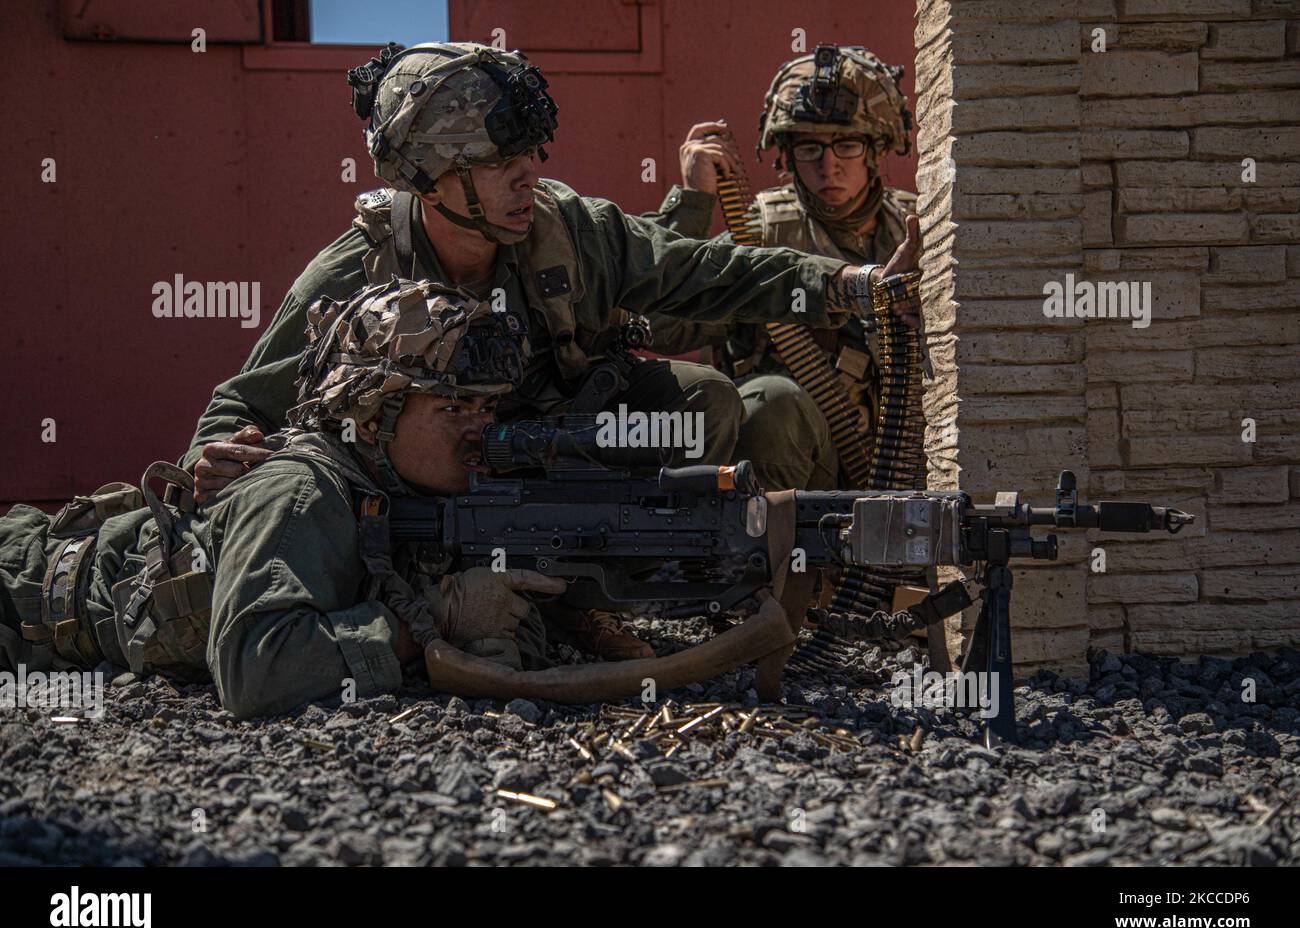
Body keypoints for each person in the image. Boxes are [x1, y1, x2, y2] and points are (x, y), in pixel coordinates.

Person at [180, 41, 918, 659]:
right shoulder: (356, 276)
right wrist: (213, 458)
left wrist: (850, 286)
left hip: (559, 452)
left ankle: (591, 594)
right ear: (431, 178)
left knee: (702, 402)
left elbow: (702, 274)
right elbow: (240, 404)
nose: (528, 173)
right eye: (501, 162)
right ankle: (465, 606)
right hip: (427, 493)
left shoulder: (567, 228)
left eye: (530, 152)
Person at [0, 280, 565, 718]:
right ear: (371, 419)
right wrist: (430, 621)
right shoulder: (303, 494)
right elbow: (255, 671)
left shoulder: (417, 491)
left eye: (487, 409)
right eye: (451, 410)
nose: (480, 431)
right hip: (18, 602)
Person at [648, 44, 921, 492]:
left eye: (847, 145)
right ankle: (763, 558)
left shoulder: (918, 232)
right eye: (810, 147)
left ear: (876, 150)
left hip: (907, 465)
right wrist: (693, 203)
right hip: (807, 468)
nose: (828, 166)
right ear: (788, 154)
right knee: (775, 402)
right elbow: (661, 324)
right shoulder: (758, 234)